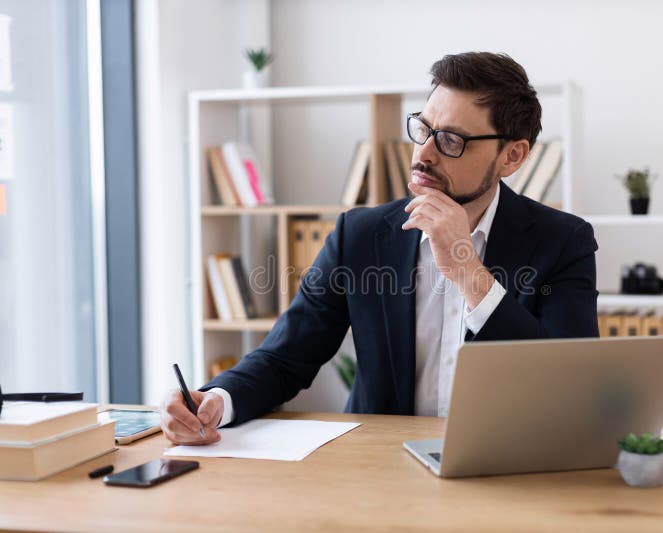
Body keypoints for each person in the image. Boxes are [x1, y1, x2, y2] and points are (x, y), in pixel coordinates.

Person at [161, 52, 599, 445]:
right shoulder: (361, 234)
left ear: (512, 156)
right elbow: (286, 356)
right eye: (424, 129)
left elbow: (568, 383)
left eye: (451, 140)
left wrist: (468, 270)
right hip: (382, 464)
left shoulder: (564, 241)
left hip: (508, 465)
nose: (424, 153)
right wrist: (218, 399)